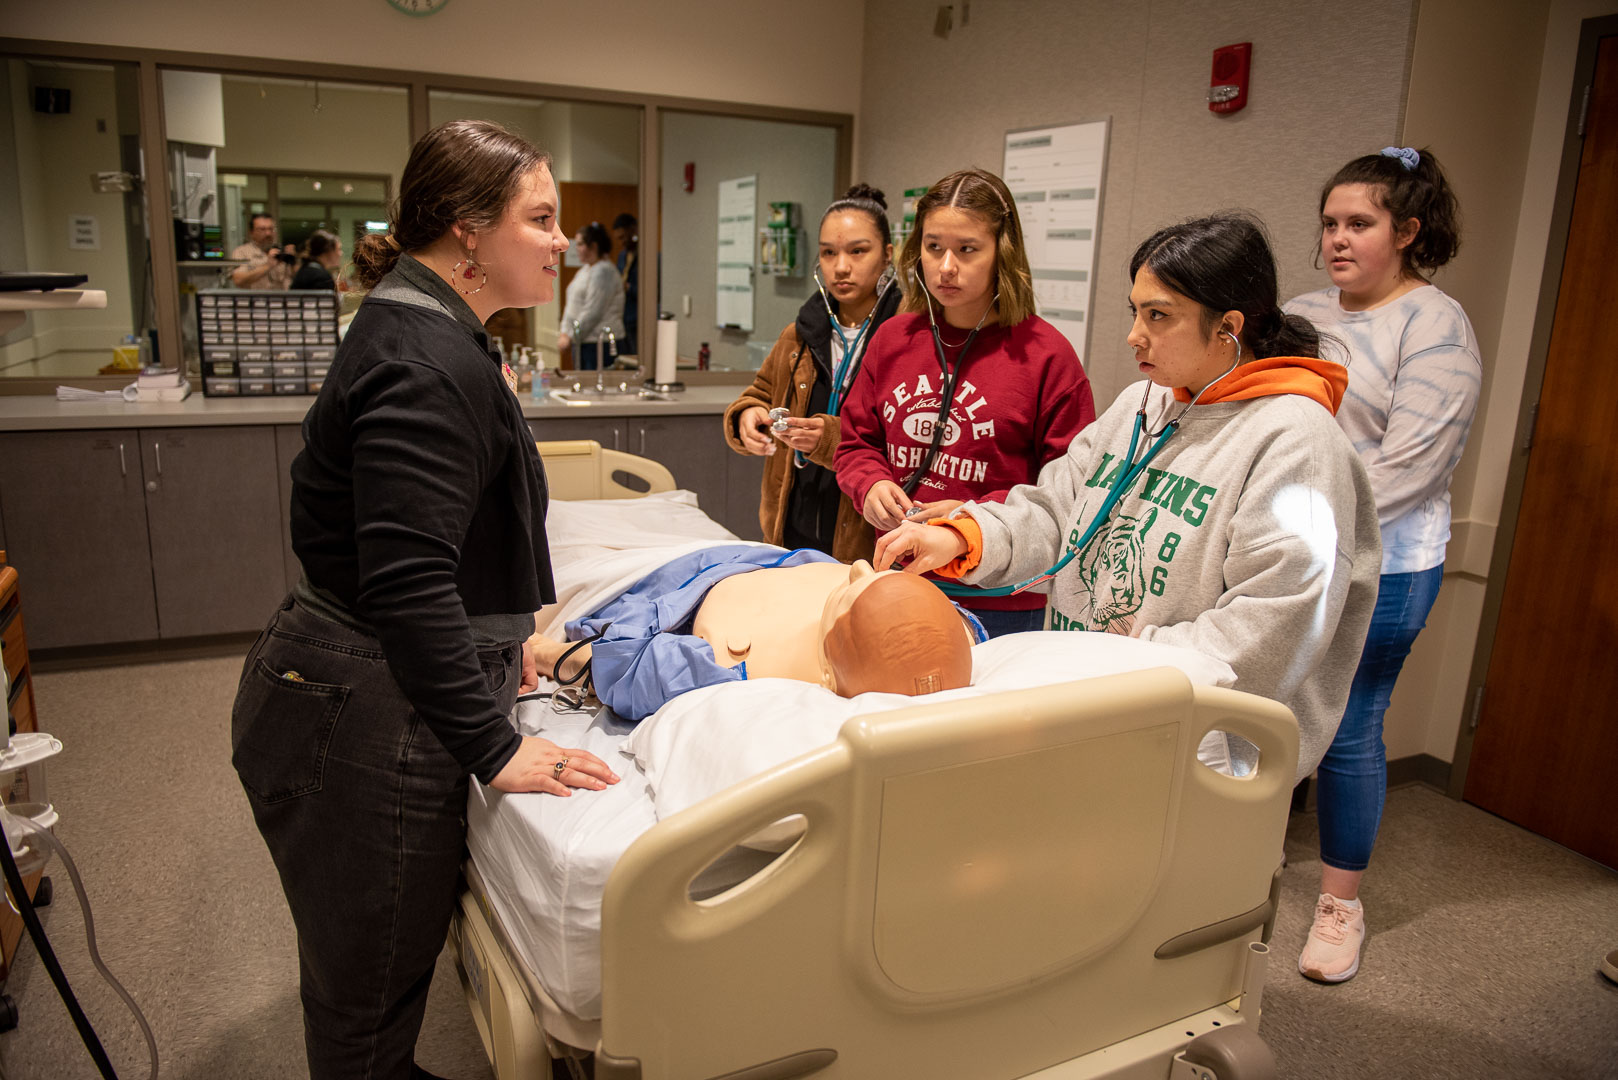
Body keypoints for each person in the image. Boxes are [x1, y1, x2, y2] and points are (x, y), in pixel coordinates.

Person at [230, 119, 619, 1080]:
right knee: (368, 997)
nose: (562, 241)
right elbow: (405, 582)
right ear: (467, 231)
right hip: (358, 715)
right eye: (541, 218)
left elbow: (430, 544)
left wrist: (501, 635)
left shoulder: (428, 328)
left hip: (348, 687)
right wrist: (497, 747)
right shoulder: (426, 362)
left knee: (375, 971)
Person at [873, 212, 1380, 792]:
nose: (1135, 335)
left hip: (1190, 753)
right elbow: (1056, 508)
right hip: (1095, 717)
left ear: (1228, 327)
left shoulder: (1298, 443)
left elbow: (1272, 632)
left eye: (1158, 316)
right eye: (1135, 311)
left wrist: (1114, 658)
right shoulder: (1144, 403)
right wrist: (964, 536)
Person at [1284, 146, 1481, 984]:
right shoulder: (1297, 311)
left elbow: (1412, 467)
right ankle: (1238, 866)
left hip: (1386, 563)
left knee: (1351, 728)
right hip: (1286, 551)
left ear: (1407, 231)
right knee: (1267, 710)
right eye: (1329, 223)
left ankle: (1339, 909)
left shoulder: (1434, 324)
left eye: (1358, 223)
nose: (1337, 238)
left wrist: (1302, 524)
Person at [834, 168, 1095, 637]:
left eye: (967, 249)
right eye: (934, 247)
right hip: (900, 582)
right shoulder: (893, 339)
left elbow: (1070, 490)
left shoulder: (1045, 355)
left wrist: (975, 516)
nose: (946, 266)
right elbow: (855, 443)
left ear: (1003, 252)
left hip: (1001, 599)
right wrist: (870, 484)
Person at [530, 545, 981, 722]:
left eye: (846, 597)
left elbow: (624, 666)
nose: (859, 567)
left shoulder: (735, 678)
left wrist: (547, 654)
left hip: (662, 579)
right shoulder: (955, 629)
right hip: (744, 555)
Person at [723, 184, 903, 561]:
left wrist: (831, 440)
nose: (841, 266)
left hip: (862, 537)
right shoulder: (799, 334)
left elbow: (910, 447)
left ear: (887, 256)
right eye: (828, 253)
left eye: (858, 251)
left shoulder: (908, 341)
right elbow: (760, 393)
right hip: (793, 524)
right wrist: (748, 416)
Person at [556, 221, 626, 370]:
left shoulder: (604, 271)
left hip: (599, 344)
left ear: (593, 246)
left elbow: (593, 311)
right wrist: (564, 332)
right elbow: (572, 307)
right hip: (583, 342)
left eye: (581, 244)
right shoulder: (585, 270)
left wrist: (570, 336)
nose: (577, 249)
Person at [230, 212, 296, 289]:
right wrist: (268, 266)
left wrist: (294, 261)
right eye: (262, 229)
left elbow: (296, 279)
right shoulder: (241, 252)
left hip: (282, 299)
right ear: (251, 232)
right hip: (255, 300)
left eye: (271, 229)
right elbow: (238, 280)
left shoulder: (281, 251)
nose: (268, 233)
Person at [611, 211, 638, 356]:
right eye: (618, 239)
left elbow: (655, 293)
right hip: (623, 316)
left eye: (623, 237)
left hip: (639, 318)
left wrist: (630, 288)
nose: (621, 242)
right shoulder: (622, 255)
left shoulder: (647, 254)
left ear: (633, 230)